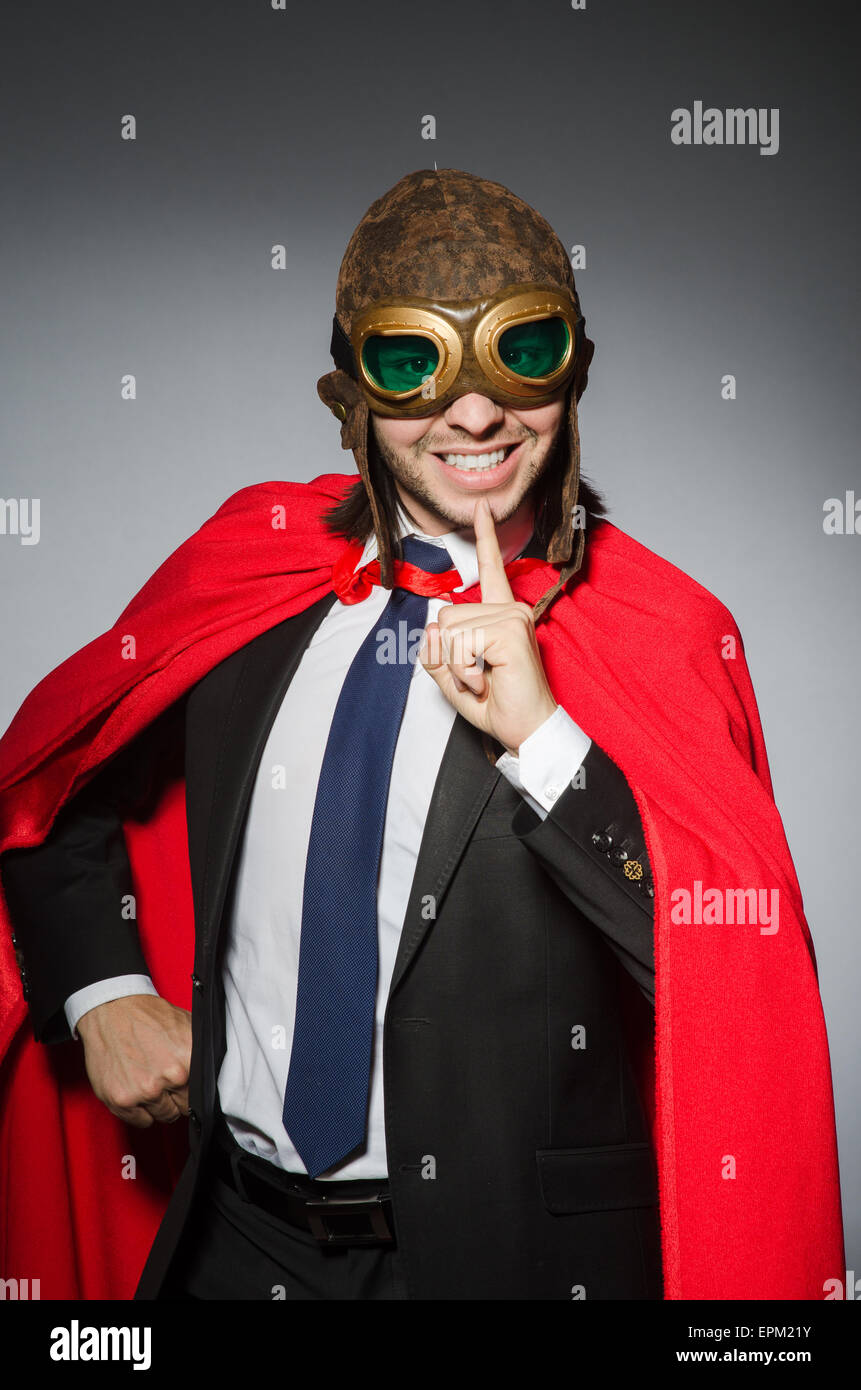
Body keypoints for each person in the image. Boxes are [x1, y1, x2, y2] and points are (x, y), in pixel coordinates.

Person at [0, 169, 844, 1302]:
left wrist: (546, 741)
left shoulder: (664, 632)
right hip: (233, 1242)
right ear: (349, 390)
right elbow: (60, 780)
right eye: (415, 363)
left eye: (521, 352)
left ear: (576, 367)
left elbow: (727, 975)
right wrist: (102, 987)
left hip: (518, 1272)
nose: (478, 411)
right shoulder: (256, 569)